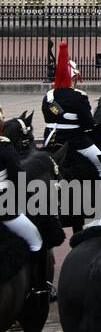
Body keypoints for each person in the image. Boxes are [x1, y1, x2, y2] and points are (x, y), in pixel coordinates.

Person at [0, 119, 48, 299]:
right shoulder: (5, 148)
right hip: (4, 210)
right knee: (37, 240)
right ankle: (40, 288)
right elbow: (18, 180)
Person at [41, 41, 101, 177]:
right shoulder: (79, 96)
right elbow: (88, 123)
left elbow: (47, 117)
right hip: (75, 141)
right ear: (73, 77)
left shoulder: (49, 95)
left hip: (50, 138)